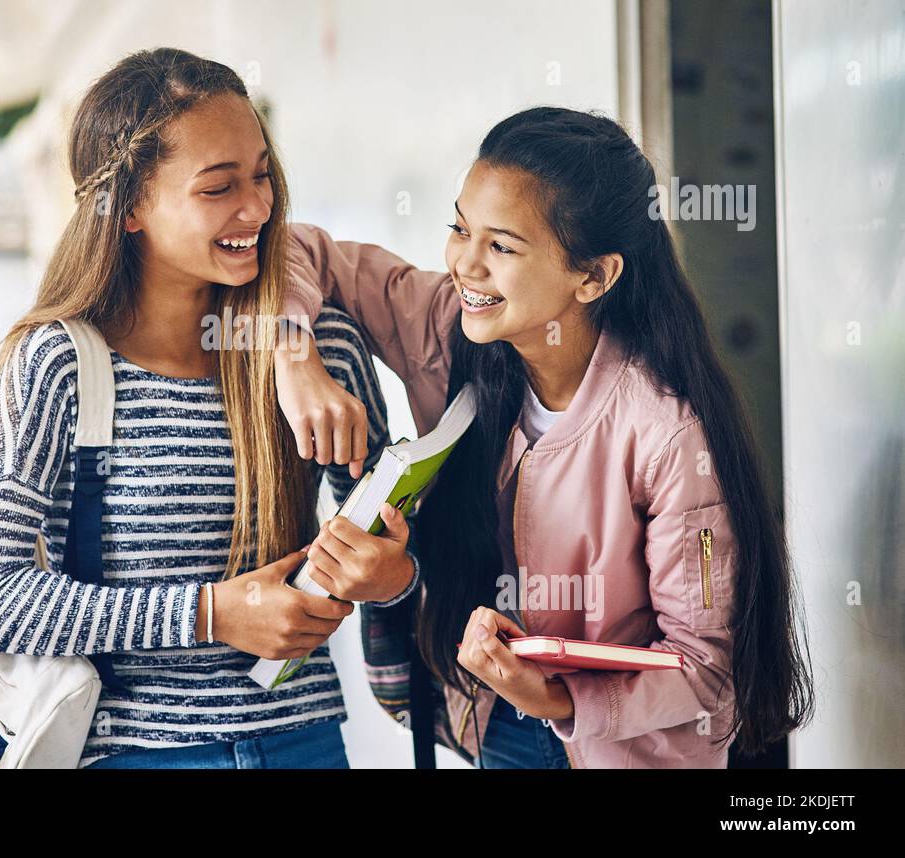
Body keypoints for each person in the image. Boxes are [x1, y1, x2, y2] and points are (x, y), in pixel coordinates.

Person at [274, 107, 814, 767]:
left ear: (593, 276)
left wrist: (561, 700)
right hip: (497, 727)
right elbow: (297, 247)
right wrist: (293, 352)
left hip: (623, 749)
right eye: (459, 228)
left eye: (500, 246)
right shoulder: (443, 323)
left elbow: (704, 672)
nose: (465, 265)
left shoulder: (666, 433)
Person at [0, 47, 411, 769]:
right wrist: (212, 613)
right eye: (218, 187)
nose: (257, 208)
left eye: (262, 175)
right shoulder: (57, 366)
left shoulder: (321, 351)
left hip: (306, 744)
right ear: (127, 206)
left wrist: (392, 576)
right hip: (137, 752)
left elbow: (399, 557)